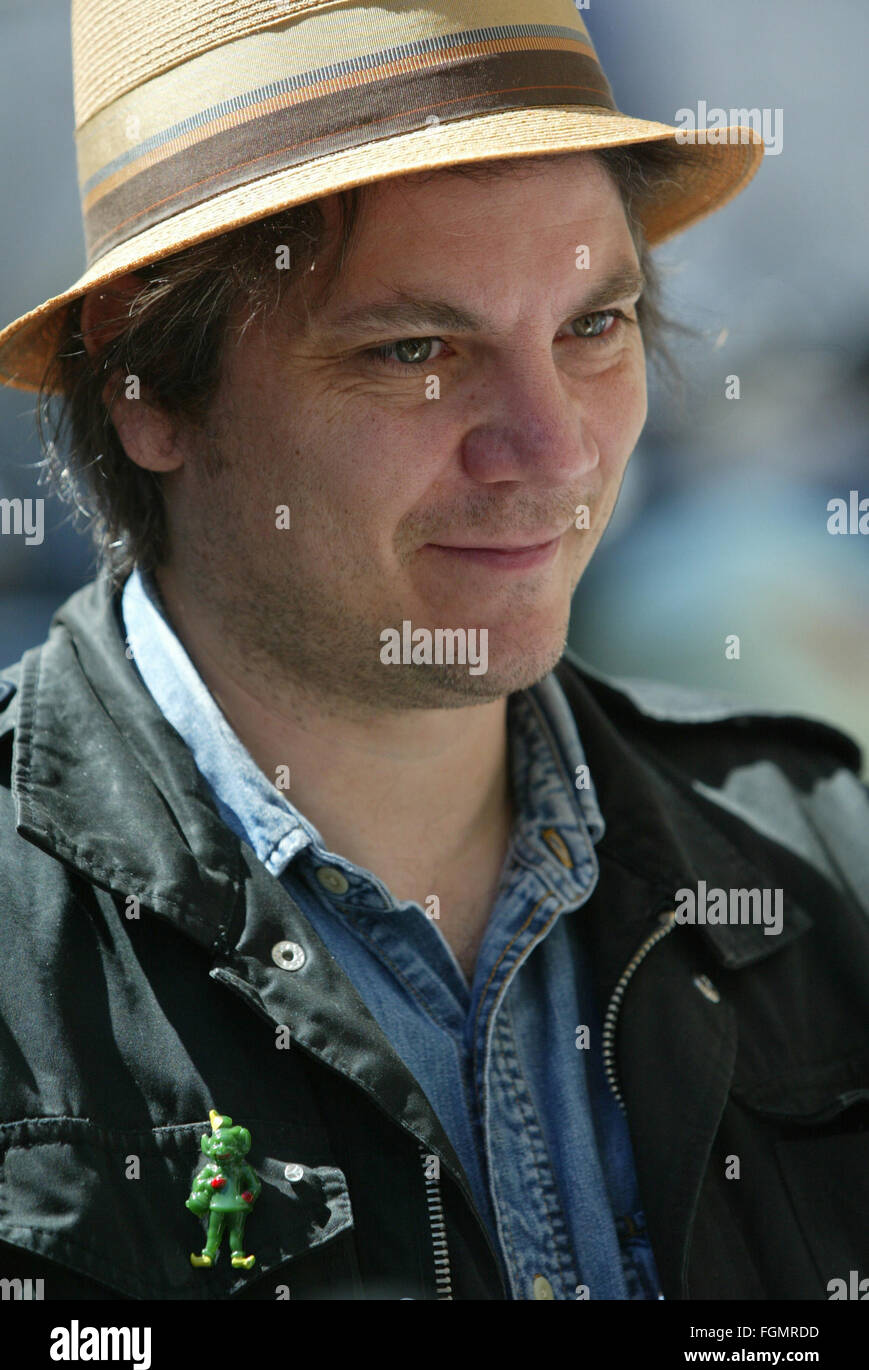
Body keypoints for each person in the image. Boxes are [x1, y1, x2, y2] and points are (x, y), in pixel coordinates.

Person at [0, 0, 866, 1302]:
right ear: (148, 391)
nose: (555, 450)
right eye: (415, 351)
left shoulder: (822, 859)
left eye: (593, 325)